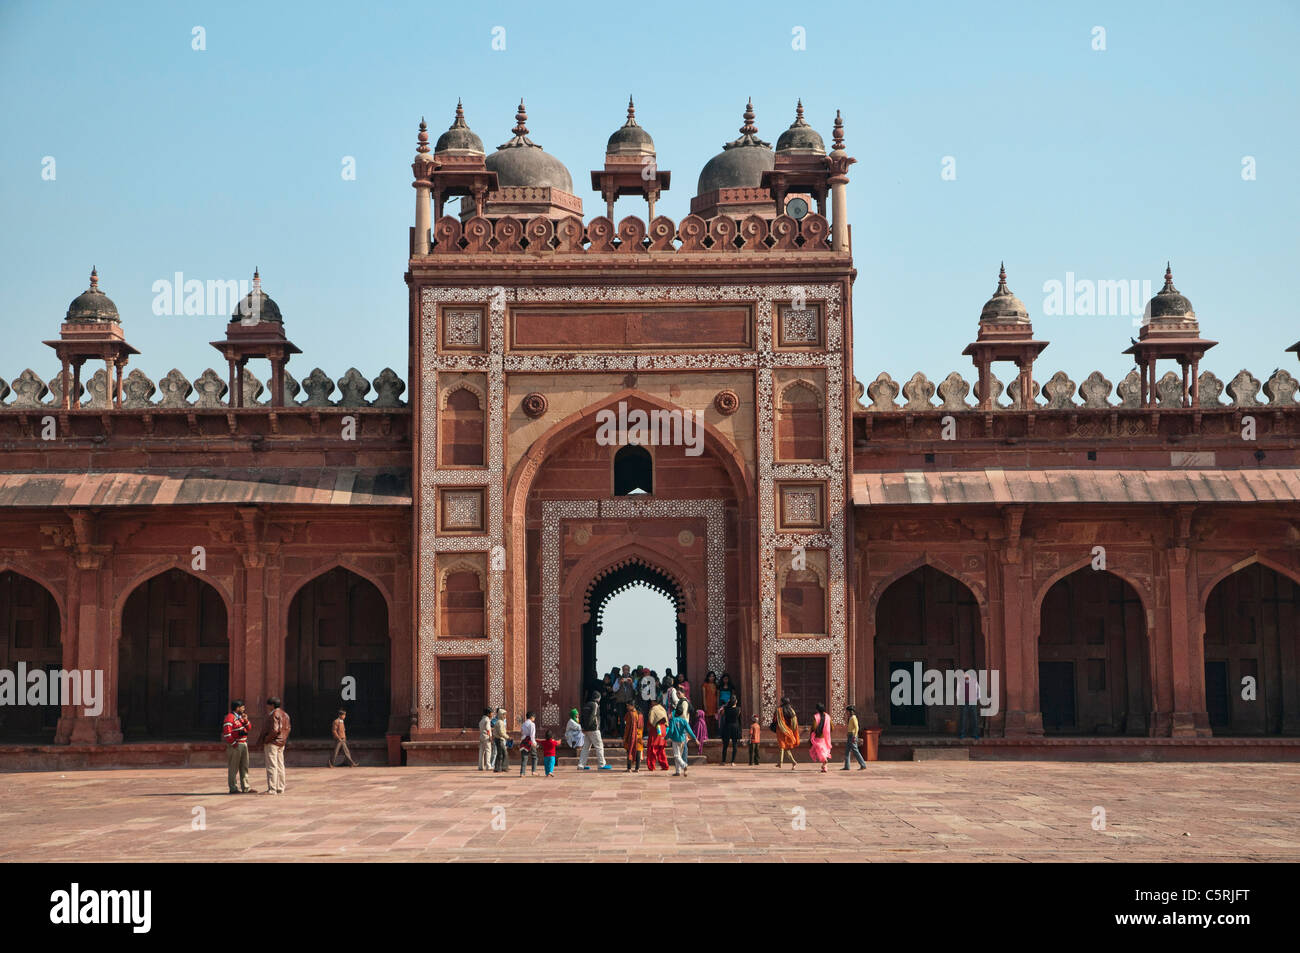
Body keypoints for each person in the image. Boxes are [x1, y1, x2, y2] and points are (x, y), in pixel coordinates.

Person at [258, 696, 291, 794]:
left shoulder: (274, 714)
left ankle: (272, 788)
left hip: (273, 742)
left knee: (272, 765)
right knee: (280, 765)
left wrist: (267, 740)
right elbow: (288, 728)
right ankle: (280, 787)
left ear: (271, 705)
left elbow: (275, 730)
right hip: (281, 742)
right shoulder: (285, 714)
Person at [222, 699, 252, 794]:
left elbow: (249, 728)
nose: (244, 709)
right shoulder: (229, 717)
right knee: (233, 767)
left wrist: (246, 719)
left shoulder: (240, 717)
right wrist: (234, 743)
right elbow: (227, 733)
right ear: (237, 708)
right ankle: (233, 788)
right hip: (236, 745)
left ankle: (246, 787)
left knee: (244, 767)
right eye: (242, 707)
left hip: (243, 744)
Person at [579, 691, 612, 770]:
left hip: (586, 730)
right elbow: (592, 716)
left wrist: (583, 727)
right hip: (593, 729)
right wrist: (589, 727)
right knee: (599, 746)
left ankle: (581, 765)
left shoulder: (586, 705)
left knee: (585, 748)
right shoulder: (595, 705)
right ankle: (601, 764)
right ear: (598, 698)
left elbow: (582, 717)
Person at [665, 703, 699, 776]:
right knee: (679, 756)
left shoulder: (673, 721)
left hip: (675, 740)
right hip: (683, 740)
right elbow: (689, 730)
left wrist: (666, 738)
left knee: (676, 756)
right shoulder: (684, 721)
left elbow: (671, 731)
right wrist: (695, 738)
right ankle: (678, 771)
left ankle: (684, 765)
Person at [773, 697, 799, 770]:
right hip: (788, 730)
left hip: (780, 729)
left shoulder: (779, 710)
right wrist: (791, 730)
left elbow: (775, 719)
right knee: (786, 747)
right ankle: (792, 762)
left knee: (782, 746)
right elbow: (794, 722)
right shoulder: (791, 710)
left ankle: (781, 763)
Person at [645, 700, 669, 772]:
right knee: (661, 749)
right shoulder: (662, 708)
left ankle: (651, 766)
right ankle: (665, 765)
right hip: (663, 729)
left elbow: (651, 721)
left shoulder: (653, 709)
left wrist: (648, 728)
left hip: (656, 729)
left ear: (654, 702)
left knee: (652, 749)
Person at [719, 694, 743, 765]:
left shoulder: (726, 708)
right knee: (734, 745)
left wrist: (727, 704)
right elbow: (739, 719)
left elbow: (721, 714)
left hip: (727, 727)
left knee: (725, 745)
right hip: (735, 727)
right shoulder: (738, 709)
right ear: (735, 701)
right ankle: (732, 762)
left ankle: (723, 761)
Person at [809, 703, 832, 772]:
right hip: (825, 737)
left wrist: (812, 732)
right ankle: (824, 767)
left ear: (817, 709)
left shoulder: (816, 716)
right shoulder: (828, 716)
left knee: (819, 751)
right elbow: (832, 727)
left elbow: (814, 727)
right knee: (823, 750)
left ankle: (824, 761)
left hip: (818, 737)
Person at [959, 671, 982, 740]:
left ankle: (975, 734)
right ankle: (962, 734)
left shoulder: (974, 681)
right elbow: (958, 691)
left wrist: (977, 698)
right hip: (964, 702)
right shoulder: (961, 682)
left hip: (973, 702)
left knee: (974, 718)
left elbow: (979, 690)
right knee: (963, 718)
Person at [843, 705, 867, 770]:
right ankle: (847, 766)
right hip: (850, 735)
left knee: (855, 751)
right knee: (847, 751)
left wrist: (855, 736)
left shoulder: (853, 718)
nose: (846, 713)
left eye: (847, 711)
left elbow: (857, 727)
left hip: (853, 735)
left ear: (850, 711)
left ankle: (863, 764)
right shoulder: (850, 718)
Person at [623, 701, 644, 772]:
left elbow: (627, 727)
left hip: (631, 736)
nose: (627, 707)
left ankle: (629, 768)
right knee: (638, 751)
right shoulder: (640, 714)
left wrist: (625, 737)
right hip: (639, 735)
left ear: (632, 706)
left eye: (628, 706)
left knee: (630, 750)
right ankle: (637, 768)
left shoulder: (630, 714)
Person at [518, 710, 538, 776]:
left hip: (524, 741)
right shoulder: (532, 724)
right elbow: (532, 734)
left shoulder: (523, 724)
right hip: (530, 742)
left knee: (524, 757)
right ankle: (534, 771)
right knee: (534, 756)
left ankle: (522, 772)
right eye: (534, 717)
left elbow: (522, 733)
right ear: (532, 717)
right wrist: (534, 742)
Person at [491, 707, 509, 773]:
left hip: (498, 739)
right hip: (500, 739)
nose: (505, 716)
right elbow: (501, 732)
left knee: (500, 753)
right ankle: (503, 767)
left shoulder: (499, 722)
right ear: (501, 715)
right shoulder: (500, 722)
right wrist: (507, 737)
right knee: (504, 753)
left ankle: (497, 768)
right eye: (504, 715)